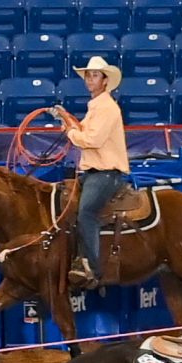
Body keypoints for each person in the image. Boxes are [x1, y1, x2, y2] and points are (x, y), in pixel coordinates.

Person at [52, 57, 129, 290]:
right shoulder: (97, 107)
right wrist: (68, 120)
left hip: (106, 173)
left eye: (95, 75)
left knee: (86, 212)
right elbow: (83, 129)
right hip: (93, 172)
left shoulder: (106, 108)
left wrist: (69, 132)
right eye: (88, 75)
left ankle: (92, 269)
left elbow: (91, 140)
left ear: (105, 81)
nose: (90, 79)